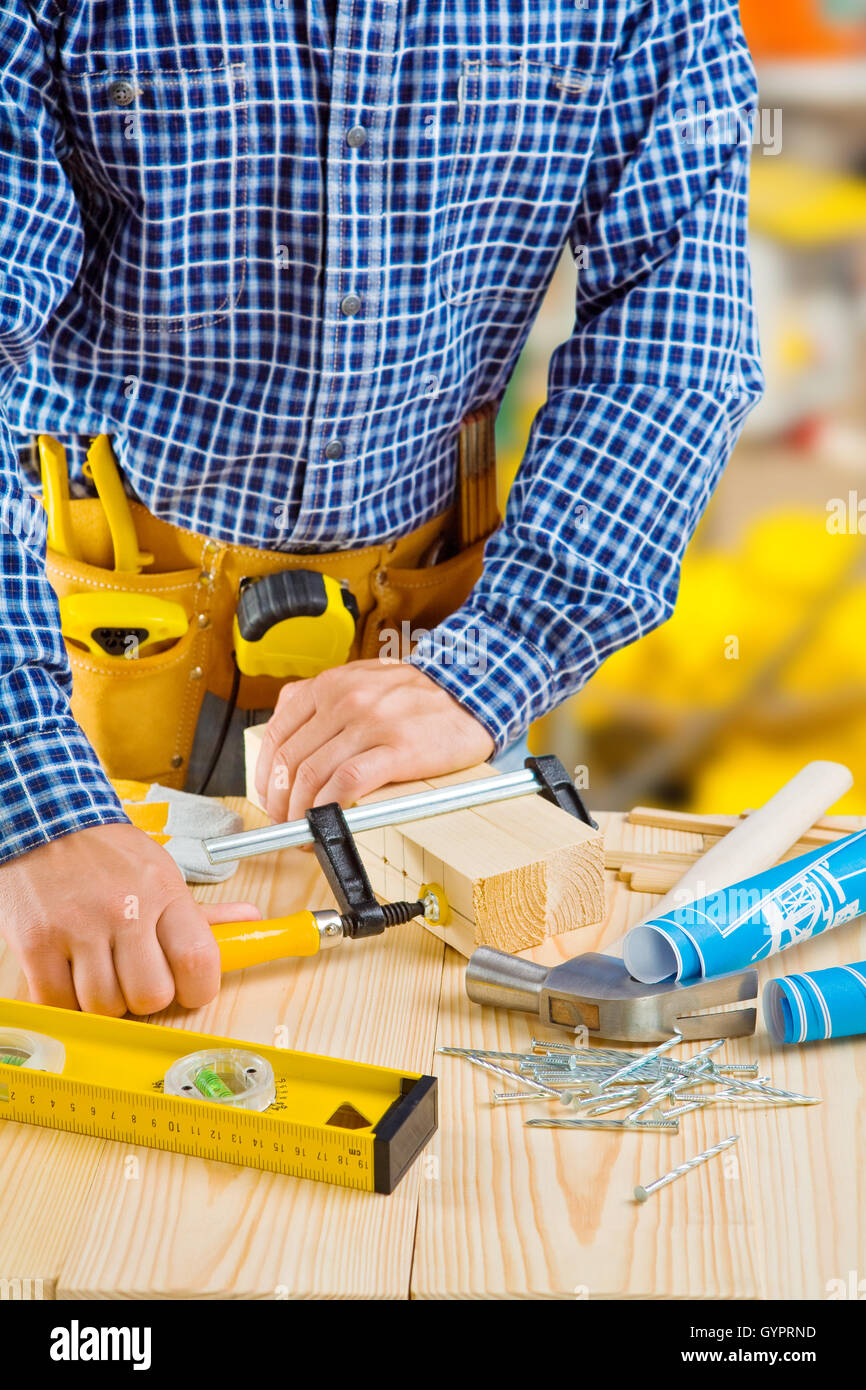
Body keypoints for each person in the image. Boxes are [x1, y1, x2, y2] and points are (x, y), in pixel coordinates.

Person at [0, 1, 763, 1015]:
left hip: (431, 654)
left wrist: (503, 653)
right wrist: (33, 801)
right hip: (82, 630)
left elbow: (673, 344)